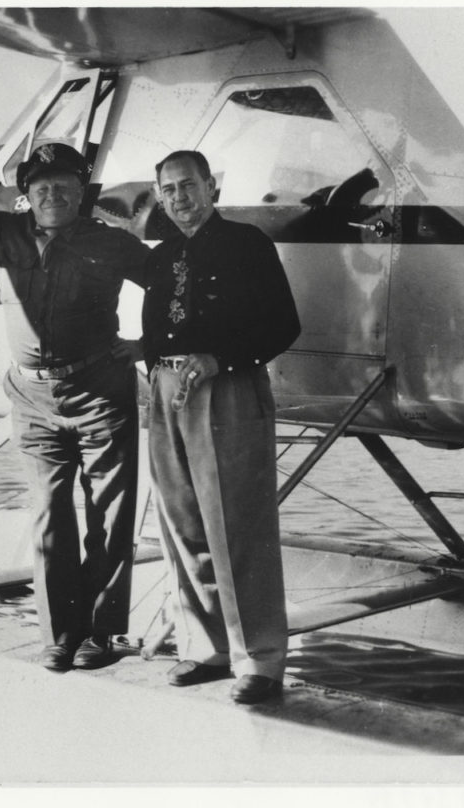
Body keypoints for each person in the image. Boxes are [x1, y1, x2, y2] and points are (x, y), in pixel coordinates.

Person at [0, 143, 150, 671]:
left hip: (99, 390)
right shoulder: (2, 233)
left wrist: (149, 342)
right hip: (30, 395)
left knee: (109, 516)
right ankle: (59, 635)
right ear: (24, 194)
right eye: (41, 185)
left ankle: (103, 632)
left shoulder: (112, 243)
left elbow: (170, 285)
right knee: (49, 517)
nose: (53, 192)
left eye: (65, 183)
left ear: (81, 191)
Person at [141, 150, 300, 704]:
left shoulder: (247, 245)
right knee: (182, 524)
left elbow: (284, 324)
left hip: (226, 389)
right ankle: (204, 648)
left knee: (239, 525)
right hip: (166, 392)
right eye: (168, 189)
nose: (178, 197)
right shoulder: (161, 256)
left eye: (188, 185)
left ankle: (259, 660)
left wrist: (219, 359)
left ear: (212, 186)